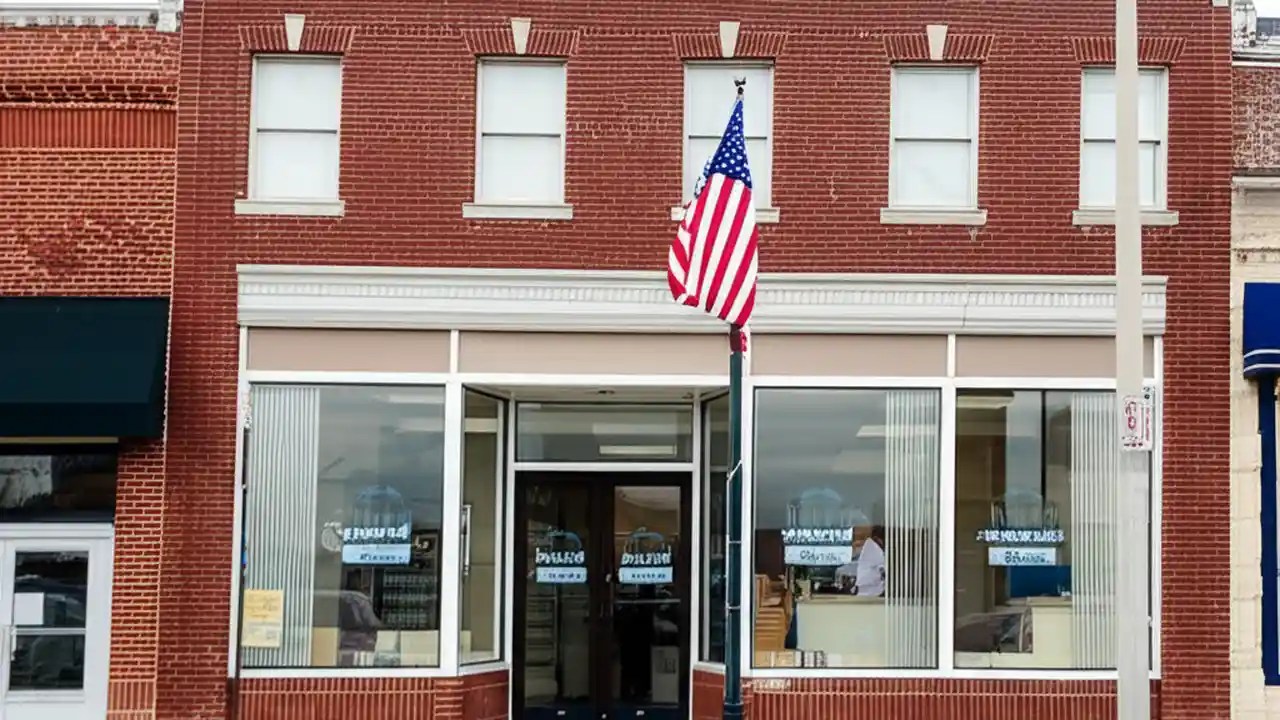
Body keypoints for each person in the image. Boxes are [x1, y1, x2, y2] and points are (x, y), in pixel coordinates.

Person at [834, 525, 886, 597]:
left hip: (872, 595)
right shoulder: (848, 547)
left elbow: (883, 572)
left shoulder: (874, 549)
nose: (857, 531)